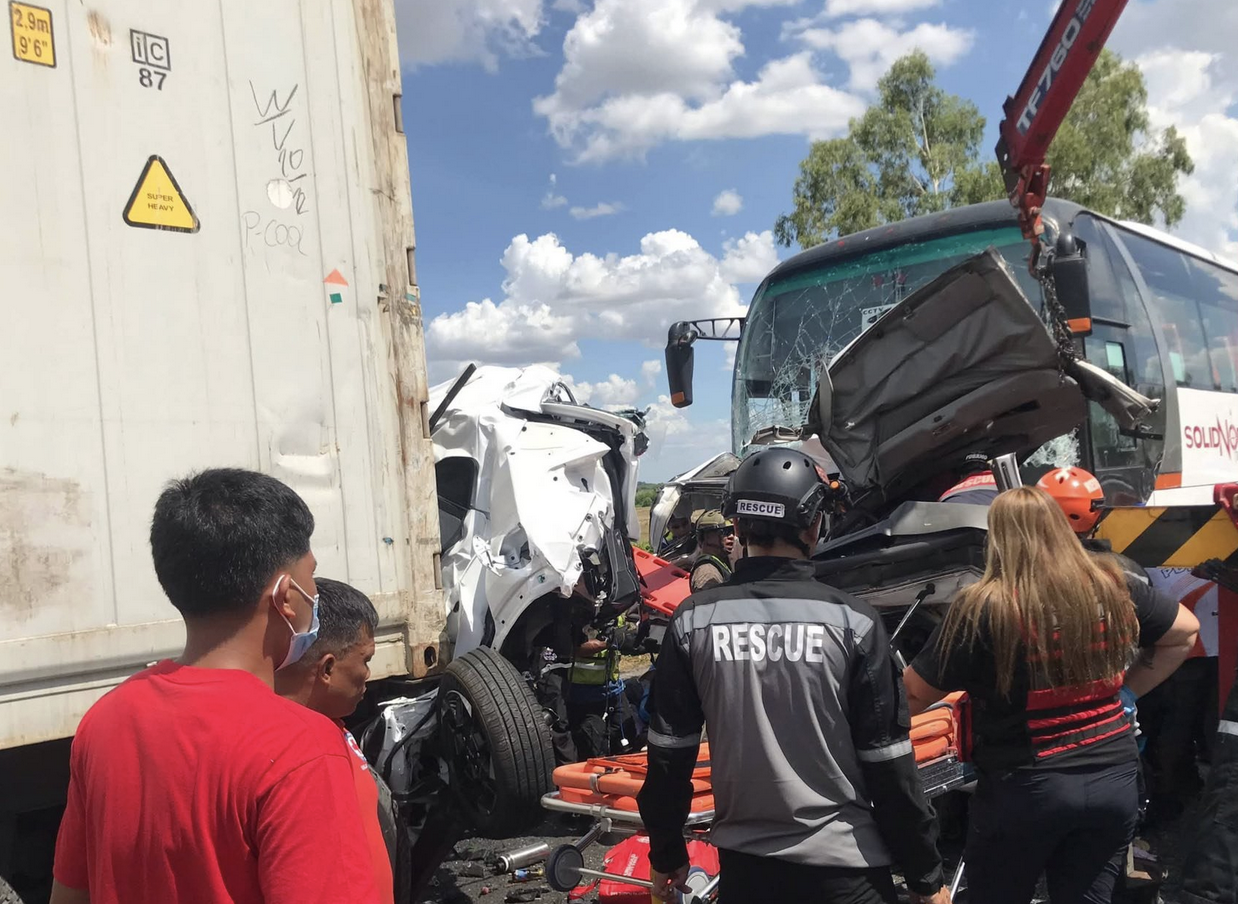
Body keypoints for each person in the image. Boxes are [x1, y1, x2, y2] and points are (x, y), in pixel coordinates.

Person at [50, 469, 381, 904]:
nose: (315, 593)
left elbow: (70, 894)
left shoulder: (105, 720)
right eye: (311, 576)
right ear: (286, 596)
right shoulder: (303, 748)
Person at [638, 448, 950, 904]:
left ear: (738, 527)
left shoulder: (692, 622)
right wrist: (926, 876)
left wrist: (666, 854)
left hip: (747, 876)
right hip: (849, 873)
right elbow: (889, 767)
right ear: (814, 526)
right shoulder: (854, 623)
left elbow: (668, 757)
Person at [903, 486, 1198, 904]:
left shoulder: (984, 606)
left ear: (998, 539)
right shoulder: (1110, 585)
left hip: (1026, 788)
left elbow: (914, 694)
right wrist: (1127, 690)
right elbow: (1184, 632)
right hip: (1114, 780)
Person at [275, 578, 394, 904]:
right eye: (365, 660)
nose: (368, 673)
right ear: (327, 668)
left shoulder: (329, 726)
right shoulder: (302, 756)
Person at [688, 510, 734, 592]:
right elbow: (707, 603)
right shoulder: (707, 571)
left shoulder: (718, 563)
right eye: (724, 532)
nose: (731, 536)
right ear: (704, 537)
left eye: (732, 531)